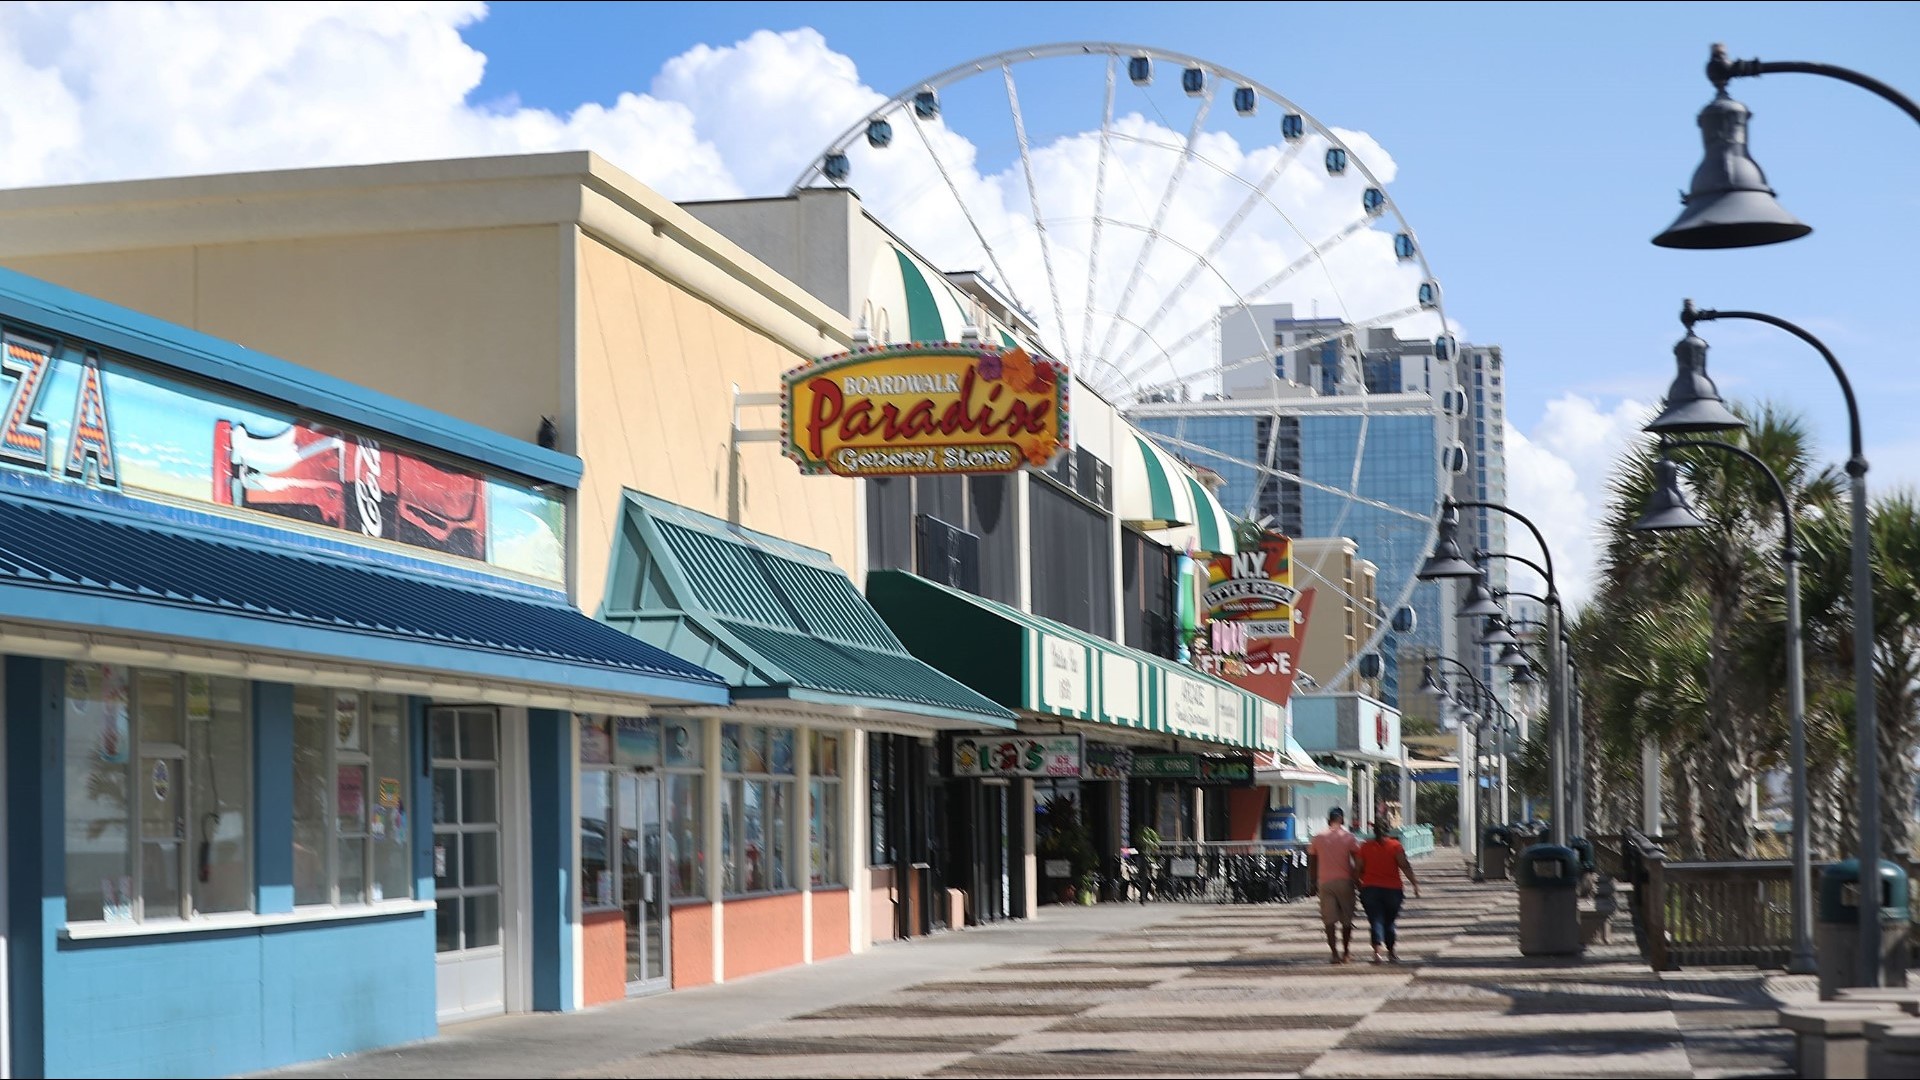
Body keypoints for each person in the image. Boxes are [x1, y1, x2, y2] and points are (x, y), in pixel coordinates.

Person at [1356, 820, 1421, 963]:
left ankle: (1377, 953)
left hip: (1370, 889)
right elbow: (1404, 866)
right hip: (1393, 890)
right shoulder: (1395, 846)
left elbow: (1358, 868)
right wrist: (1415, 884)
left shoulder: (1365, 847)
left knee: (1375, 920)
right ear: (1388, 830)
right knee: (1389, 921)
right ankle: (1391, 952)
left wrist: (1359, 883)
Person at [1307, 807, 1363, 964]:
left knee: (1329, 921)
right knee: (1346, 920)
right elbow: (1357, 862)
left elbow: (1312, 862)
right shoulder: (1349, 837)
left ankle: (1334, 954)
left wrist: (1312, 883)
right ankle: (1346, 953)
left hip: (1325, 883)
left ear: (1328, 820)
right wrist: (1358, 880)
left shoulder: (1318, 837)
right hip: (1345, 882)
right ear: (1343, 820)